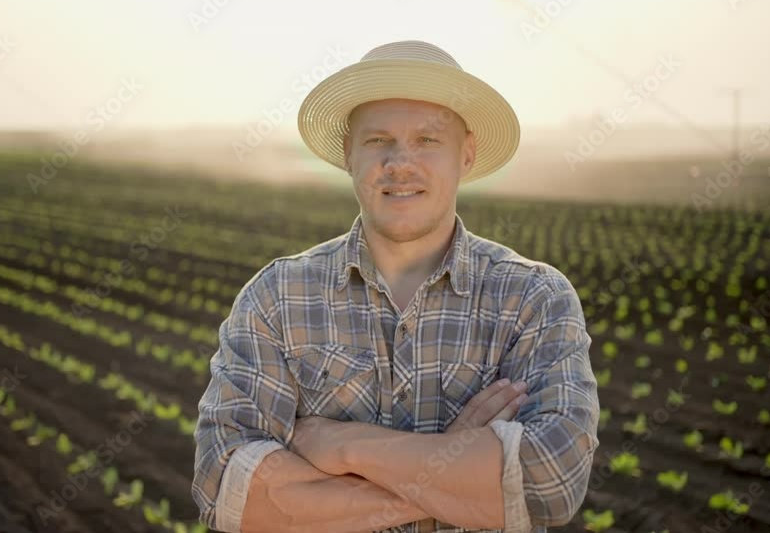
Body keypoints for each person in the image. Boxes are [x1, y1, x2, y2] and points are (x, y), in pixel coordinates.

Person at [193, 40, 600, 533]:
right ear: (348, 154)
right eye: (377, 140)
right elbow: (227, 495)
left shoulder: (532, 299)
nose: (400, 162)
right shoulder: (276, 298)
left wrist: (344, 446)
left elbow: (549, 485)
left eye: (428, 140)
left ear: (465, 154)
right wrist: (455, 464)